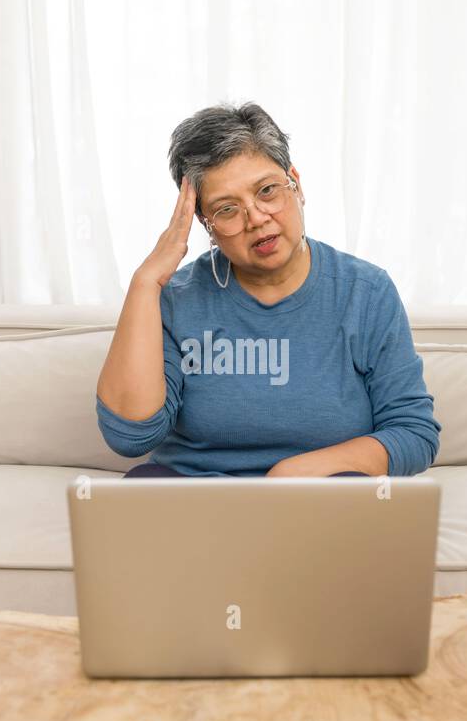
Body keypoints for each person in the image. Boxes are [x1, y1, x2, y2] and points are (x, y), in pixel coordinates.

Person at [95, 101, 440, 478]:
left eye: (267, 191)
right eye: (227, 209)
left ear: (296, 184)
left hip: (319, 497)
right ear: (205, 223)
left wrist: (291, 475)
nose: (256, 218)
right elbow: (130, 436)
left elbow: (414, 433)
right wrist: (145, 283)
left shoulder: (367, 293)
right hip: (197, 496)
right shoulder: (177, 299)